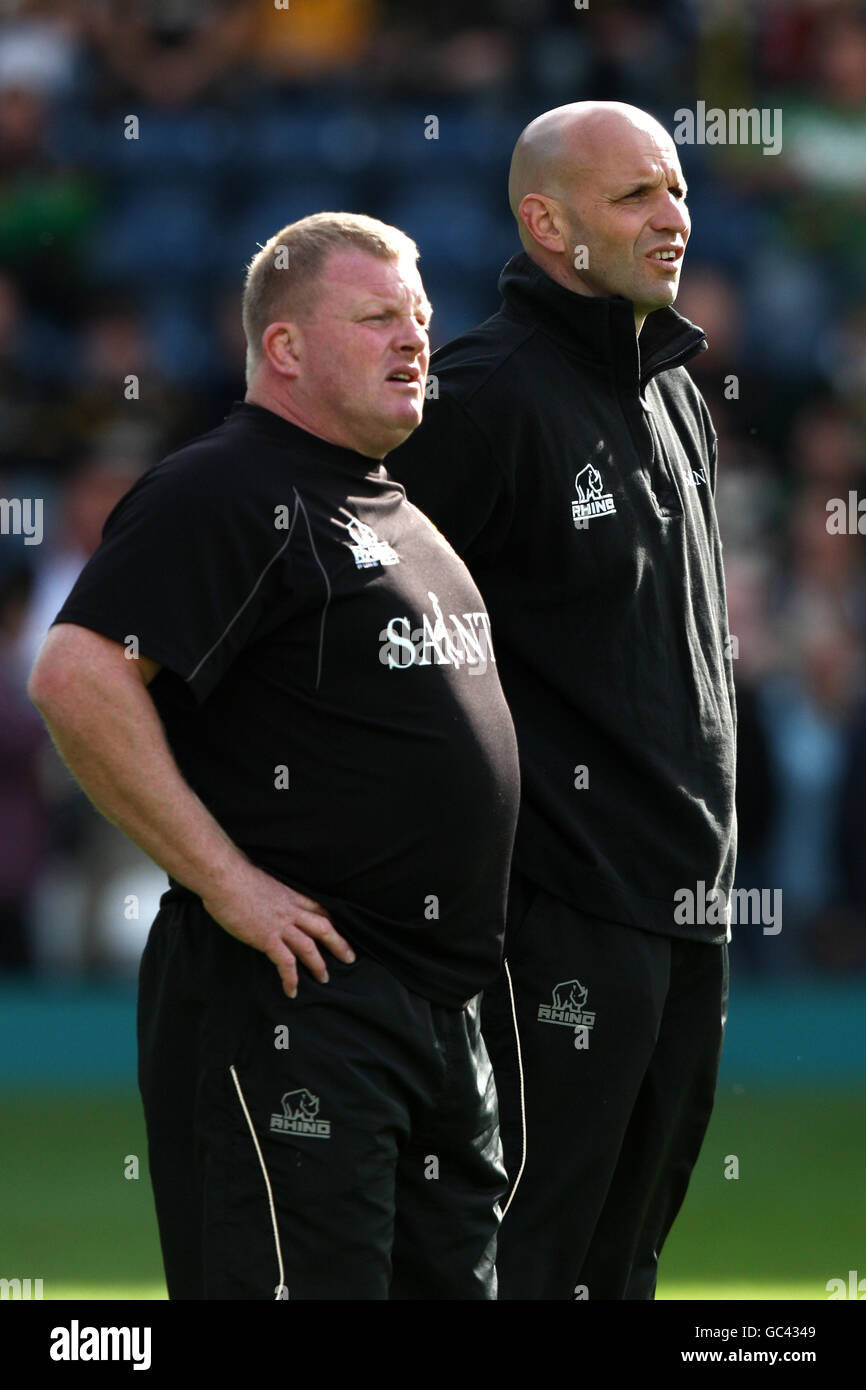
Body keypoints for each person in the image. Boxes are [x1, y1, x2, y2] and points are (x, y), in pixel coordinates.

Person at [27, 212, 520, 1300]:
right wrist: (226, 881)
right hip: (296, 1009)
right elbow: (77, 676)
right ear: (286, 348)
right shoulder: (227, 486)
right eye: (377, 317)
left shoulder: (400, 510)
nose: (414, 340)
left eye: (422, 318)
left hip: (435, 1018)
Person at [389, 102, 737, 1300]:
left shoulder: (676, 392)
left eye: (676, 188)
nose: (672, 216)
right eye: (634, 195)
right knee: (525, 1256)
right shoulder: (477, 399)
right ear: (545, 222)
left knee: (623, 1261)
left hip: (688, 902)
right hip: (558, 913)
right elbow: (374, 644)